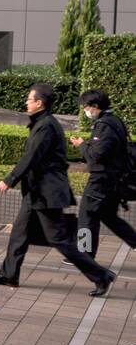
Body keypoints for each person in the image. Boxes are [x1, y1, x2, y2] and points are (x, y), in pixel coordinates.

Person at [0, 83, 116, 297]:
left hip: (47, 192)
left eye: (29, 99)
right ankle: (9, 274)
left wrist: (9, 179)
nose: (26, 102)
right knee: (19, 232)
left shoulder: (46, 125)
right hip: (37, 190)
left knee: (59, 240)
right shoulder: (43, 123)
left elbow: (32, 156)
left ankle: (101, 275)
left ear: (39, 103)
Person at [70, 89, 136, 260]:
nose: (85, 110)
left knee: (87, 214)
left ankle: (84, 254)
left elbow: (97, 155)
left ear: (95, 106)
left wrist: (82, 145)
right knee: (107, 215)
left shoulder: (104, 125)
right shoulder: (115, 121)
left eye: (86, 107)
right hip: (114, 179)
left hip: (101, 180)